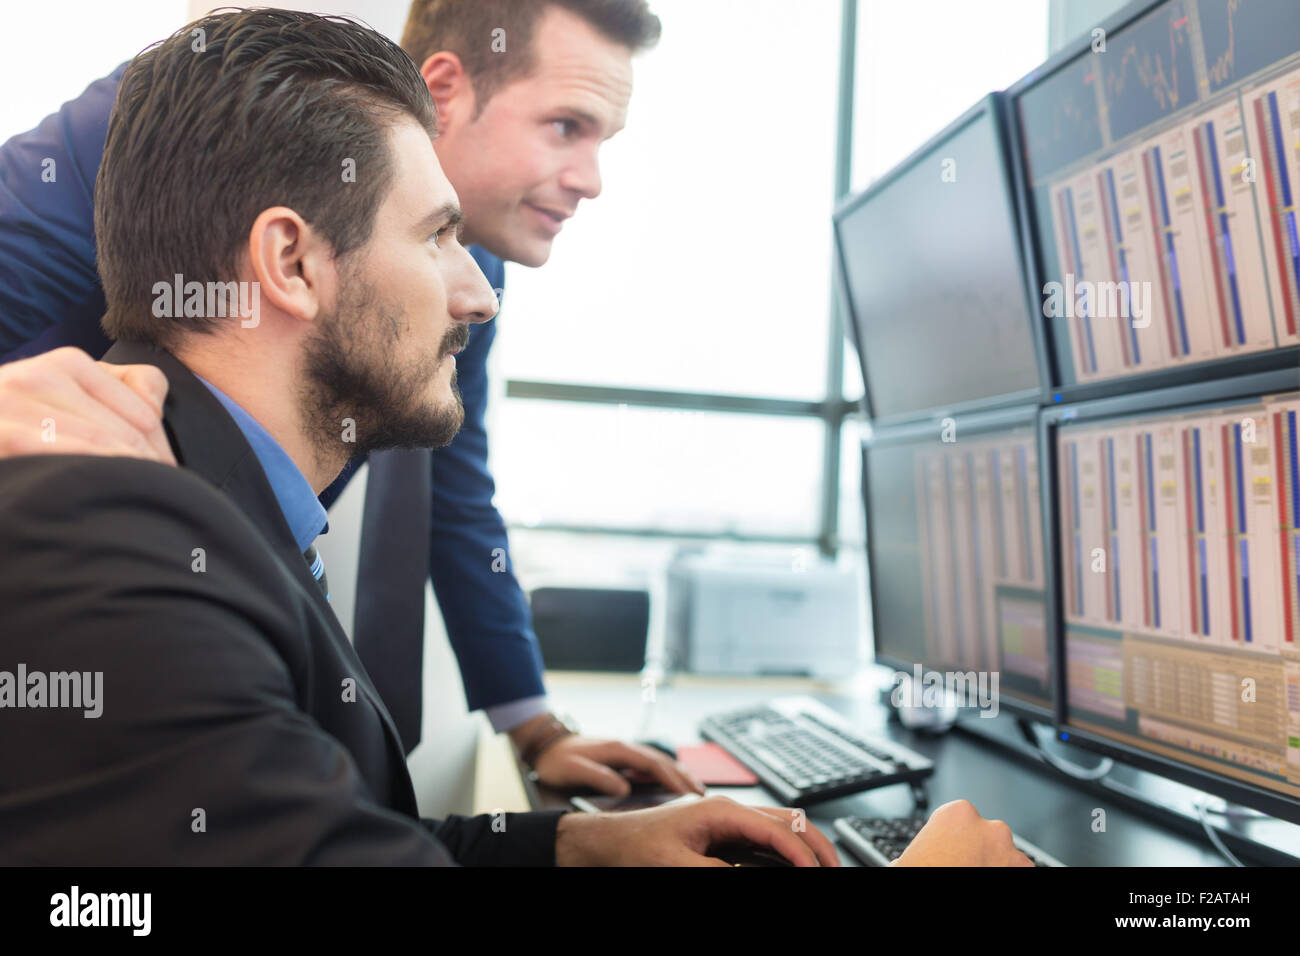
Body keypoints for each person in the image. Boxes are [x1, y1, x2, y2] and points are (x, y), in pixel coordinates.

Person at [0, 0, 701, 798]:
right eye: (567, 127)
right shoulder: (209, 118)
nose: (592, 180)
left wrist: (532, 725)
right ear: (448, 88)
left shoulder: (471, 278)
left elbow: (456, 495)